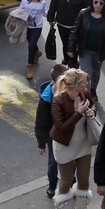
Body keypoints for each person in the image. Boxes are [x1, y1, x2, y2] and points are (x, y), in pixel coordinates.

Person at [48, 69, 98, 209]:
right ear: (76, 86)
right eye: (84, 82)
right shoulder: (58, 100)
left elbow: (93, 105)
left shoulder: (85, 94)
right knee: (66, 180)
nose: (87, 84)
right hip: (65, 146)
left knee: (84, 178)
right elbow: (61, 126)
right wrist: (79, 112)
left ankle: (82, 207)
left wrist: (91, 112)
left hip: (83, 144)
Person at [66, 0, 105, 102]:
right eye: (95, 2)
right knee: (86, 73)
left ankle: (93, 89)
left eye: (101, 3)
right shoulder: (83, 13)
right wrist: (71, 48)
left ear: (104, 4)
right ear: (92, 2)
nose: (98, 5)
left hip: (99, 51)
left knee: (96, 72)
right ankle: (86, 93)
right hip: (85, 50)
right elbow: (75, 31)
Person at [35, 63, 70, 198]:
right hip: (53, 136)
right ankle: (53, 185)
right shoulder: (46, 100)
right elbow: (40, 123)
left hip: (67, 133)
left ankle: (71, 181)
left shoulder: (66, 93)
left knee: (69, 159)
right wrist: (41, 144)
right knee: (53, 161)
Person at [47, 0, 89, 69]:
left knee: (73, 45)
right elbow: (53, 5)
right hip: (62, 23)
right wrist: (51, 18)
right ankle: (66, 58)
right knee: (65, 43)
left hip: (76, 26)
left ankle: (73, 63)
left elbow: (88, 10)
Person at [19, 0, 49, 80]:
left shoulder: (42, 2)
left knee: (31, 45)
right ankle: (37, 52)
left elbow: (43, 13)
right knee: (32, 44)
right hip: (26, 26)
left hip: (37, 27)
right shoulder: (25, 1)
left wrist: (51, 17)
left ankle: (29, 67)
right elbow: (20, 11)